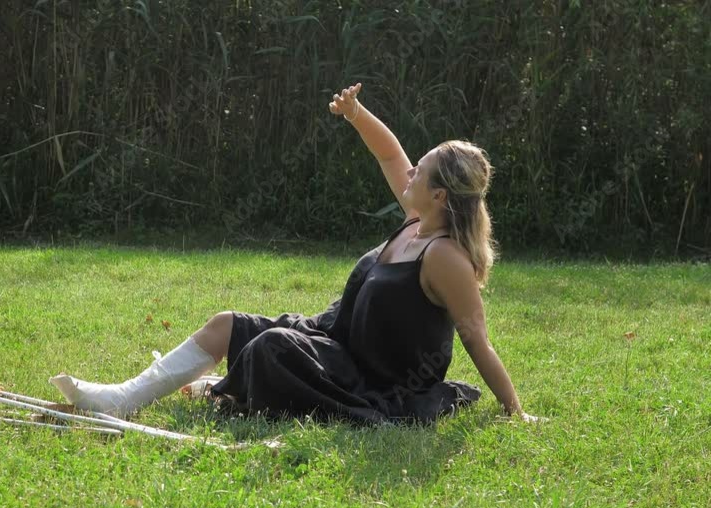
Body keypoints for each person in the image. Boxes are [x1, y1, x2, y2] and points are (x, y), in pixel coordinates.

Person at [50, 82, 544, 424]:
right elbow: (390, 154)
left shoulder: (445, 257)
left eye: (422, 169)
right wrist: (355, 113)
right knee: (226, 325)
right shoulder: (418, 217)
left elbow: (477, 339)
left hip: (366, 381)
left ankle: (223, 389)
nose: (410, 171)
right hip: (331, 341)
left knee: (273, 348)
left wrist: (515, 411)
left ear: (440, 195)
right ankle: (123, 399)